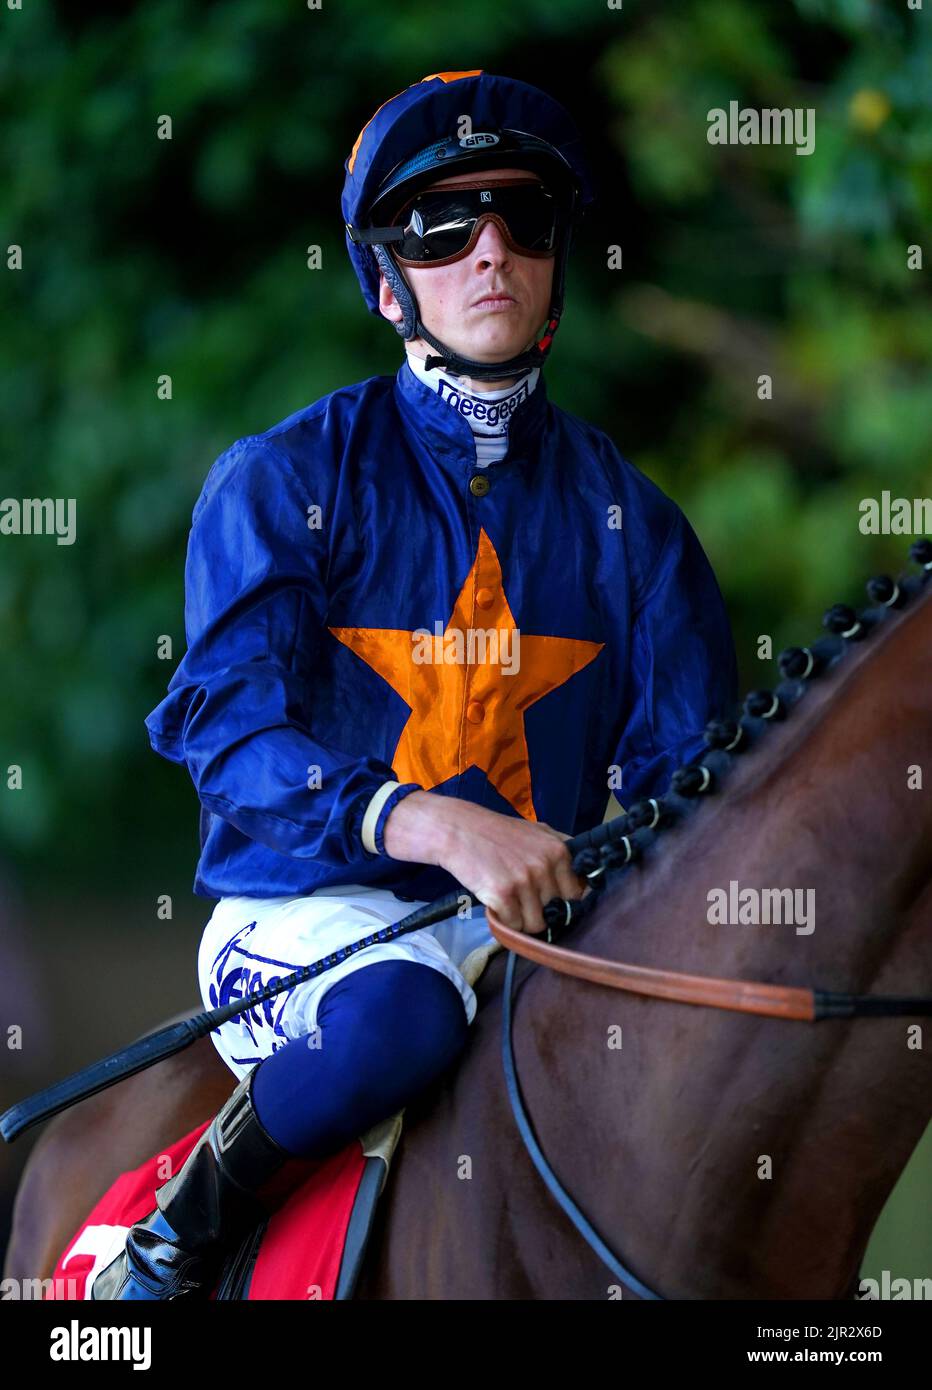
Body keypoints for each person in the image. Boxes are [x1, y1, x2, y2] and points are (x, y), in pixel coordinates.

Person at [92, 70, 738, 1300]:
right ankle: (167, 1252)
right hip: (312, 919)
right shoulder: (277, 478)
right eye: (443, 228)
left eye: (520, 219)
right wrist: (431, 821)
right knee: (403, 1015)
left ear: (553, 261)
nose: (488, 251)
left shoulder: (639, 527)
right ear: (387, 281)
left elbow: (687, 790)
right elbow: (228, 729)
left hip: (555, 938)